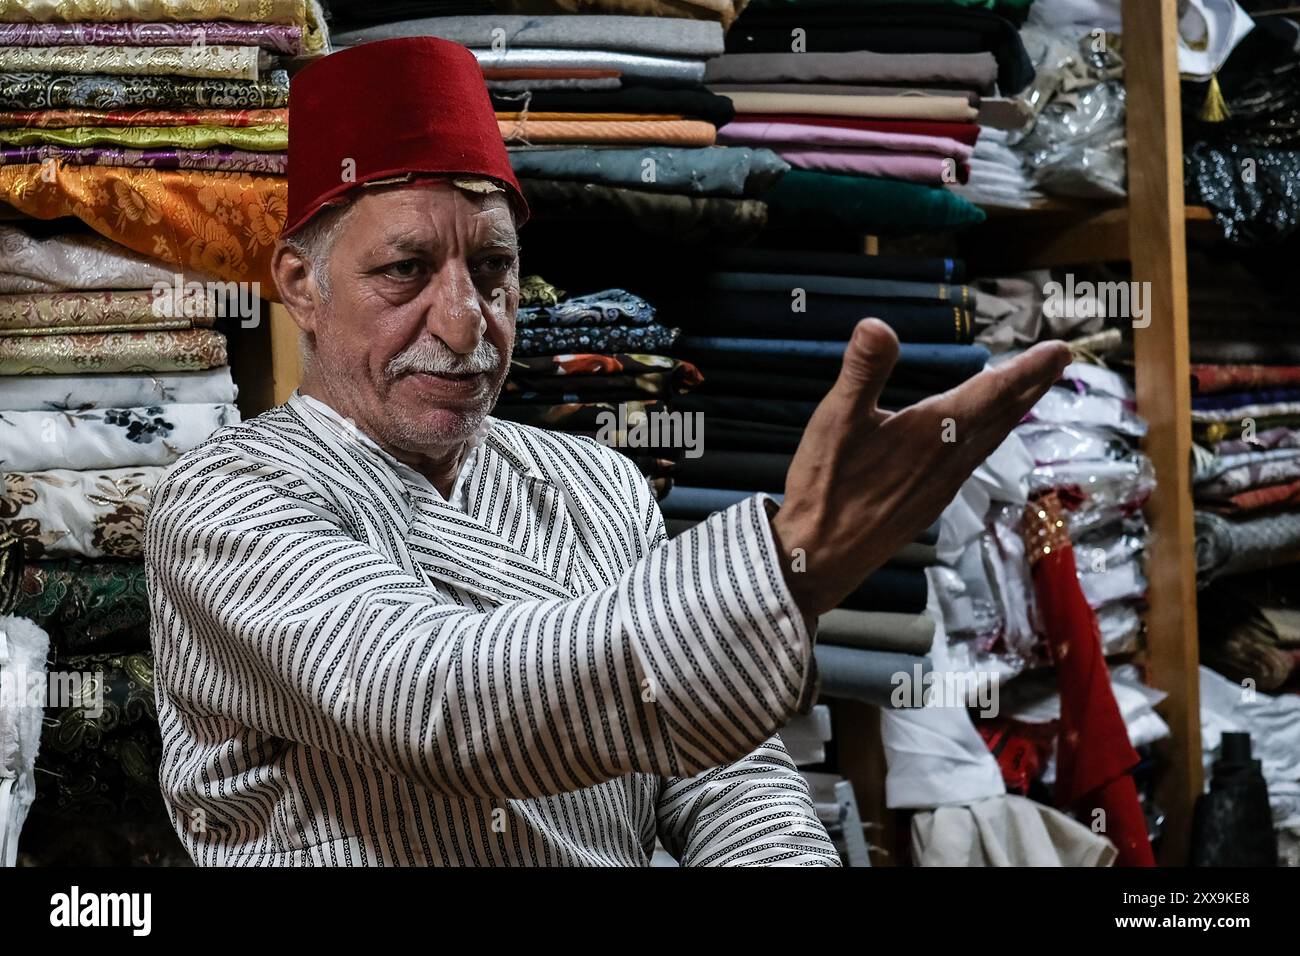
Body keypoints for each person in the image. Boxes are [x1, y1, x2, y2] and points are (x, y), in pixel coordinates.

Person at [145, 37, 1070, 866]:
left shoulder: (594, 484)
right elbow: (440, 703)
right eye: (404, 271)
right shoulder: (224, 500)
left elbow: (718, 771)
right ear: (300, 285)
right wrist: (786, 565)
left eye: (496, 270)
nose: (466, 322)